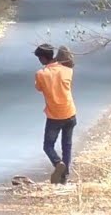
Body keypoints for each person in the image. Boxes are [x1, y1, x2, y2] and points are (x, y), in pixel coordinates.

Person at [34, 43, 77, 185]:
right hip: (70, 112)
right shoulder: (67, 70)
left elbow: (39, 88)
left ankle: (58, 163)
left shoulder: (41, 74)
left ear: (42, 58)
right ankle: (65, 177)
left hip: (54, 116)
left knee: (48, 146)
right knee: (67, 145)